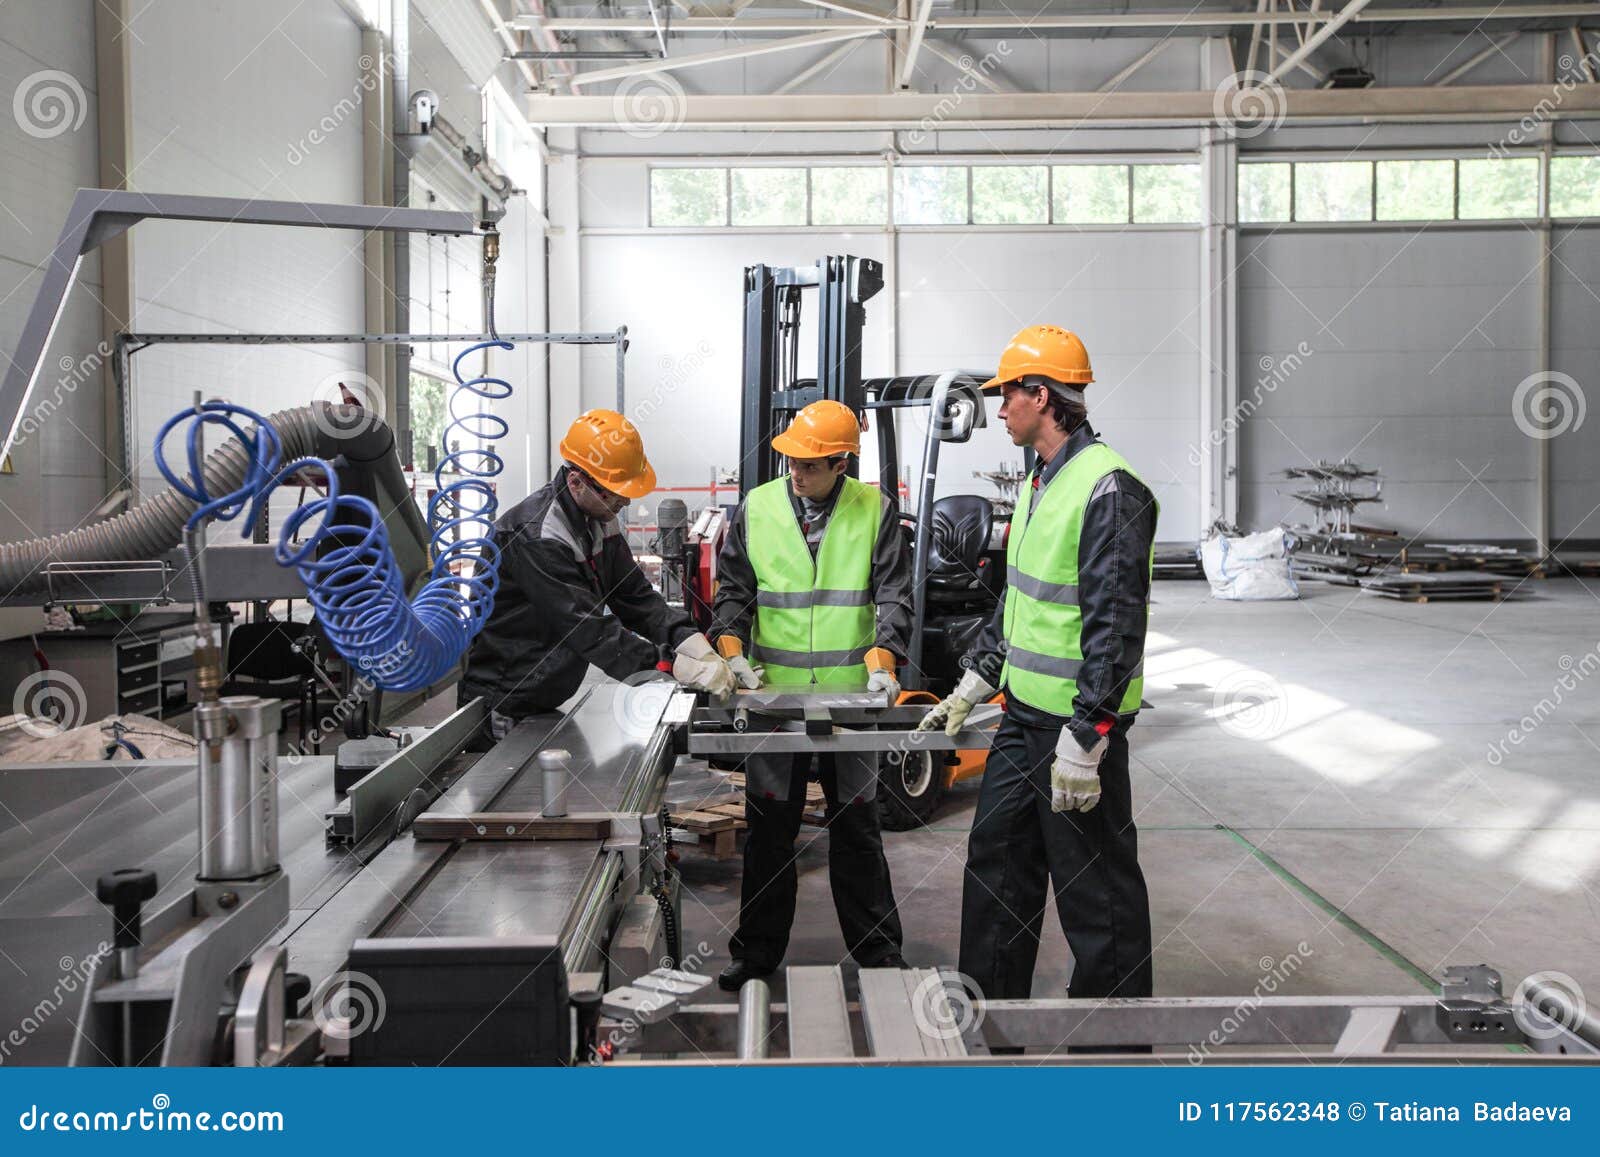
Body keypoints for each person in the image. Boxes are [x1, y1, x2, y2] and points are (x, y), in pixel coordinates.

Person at [920, 324, 1159, 1007]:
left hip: (1076, 732)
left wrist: (1088, 736)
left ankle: (1113, 1054)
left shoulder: (1109, 489)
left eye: (1007, 396)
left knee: (1096, 892)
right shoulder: (1038, 481)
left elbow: (1115, 629)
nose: (999, 410)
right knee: (996, 866)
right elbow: (1020, 601)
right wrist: (975, 677)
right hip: (1023, 720)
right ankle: (991, 1020)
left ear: (1042, 395)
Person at [710, 400, 912, 990]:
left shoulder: (875, 510)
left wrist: (884, 662)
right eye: (791, 461)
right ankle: (755, 956)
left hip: (854, 702)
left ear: (842, 462)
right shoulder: (758, 508)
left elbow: (893, 595)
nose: (796, 474)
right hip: (776, 700)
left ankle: (877, 952)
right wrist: (733, 652)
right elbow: (734, 592)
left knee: (857, 826)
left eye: (811, 465)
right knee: (770, 828)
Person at [462, 409, 734, 742]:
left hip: (546, 695)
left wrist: (687, 639)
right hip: (506, 701)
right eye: (616, 493)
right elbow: (589, 629)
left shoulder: (599, 515)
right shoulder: (538, 535)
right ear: (577, 481)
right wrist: (672, 665)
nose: (624, 501)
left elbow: (632, 594)